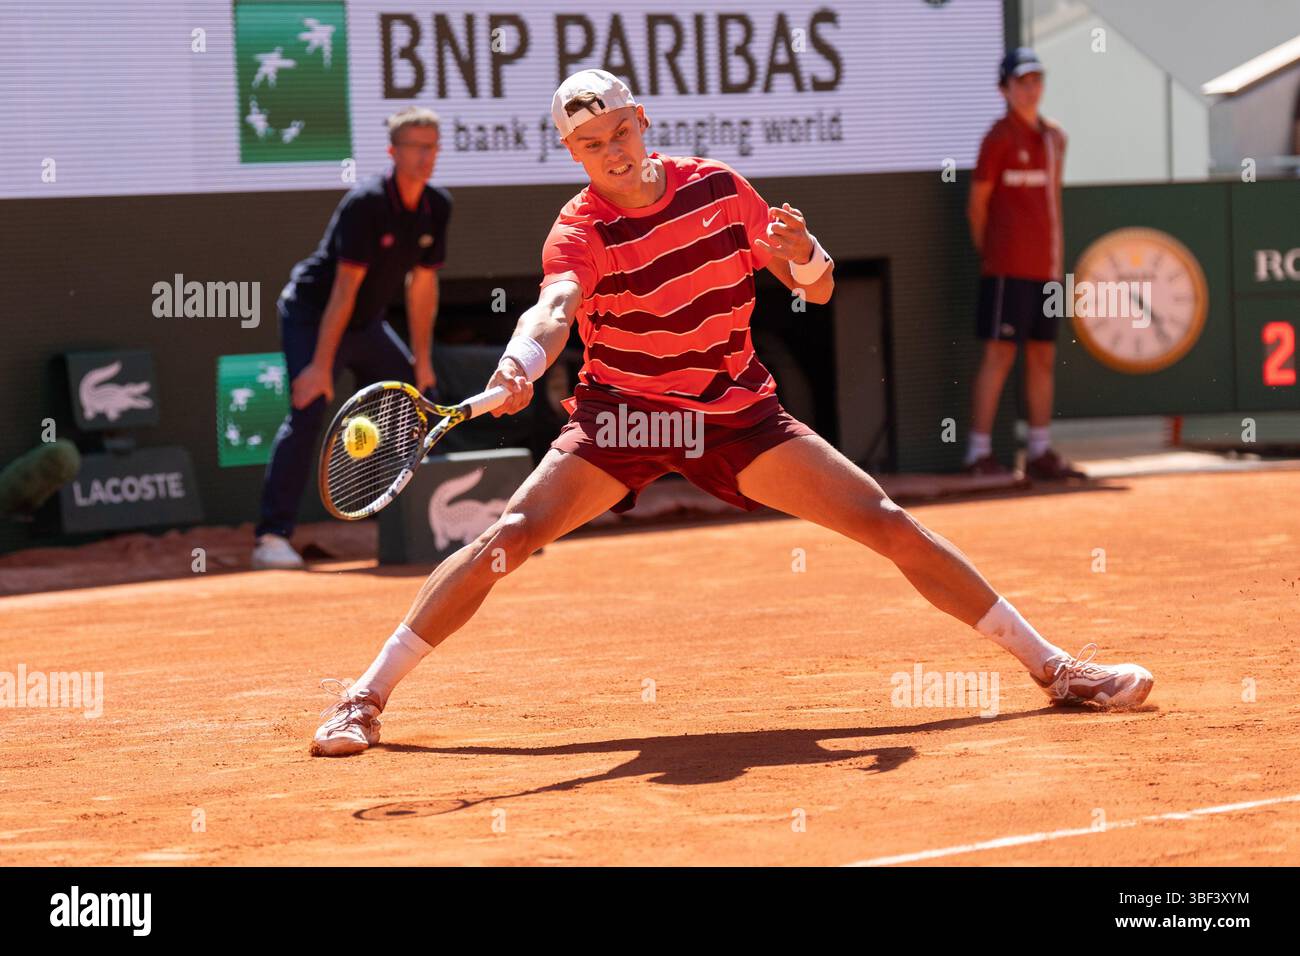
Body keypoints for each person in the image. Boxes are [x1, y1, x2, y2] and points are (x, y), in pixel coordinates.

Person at [311, 70, 1153, 756]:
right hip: (627, 417)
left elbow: (813, 285)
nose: (610, 154)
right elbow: (556, 306)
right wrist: (519, 367)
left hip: (734, 411)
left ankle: (1055, 670)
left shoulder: (717, 188)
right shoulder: (577, 230)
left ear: (642, 121)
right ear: (571, 153)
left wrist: (805, 254)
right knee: (508, 540)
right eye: (590, 145)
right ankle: (364, 698)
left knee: (886, 521)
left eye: (619, 134)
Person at [252, 107, 451, 570]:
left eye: (433, 147)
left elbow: (422, 286)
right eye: (416, 147)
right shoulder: (366, 204)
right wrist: (320, 367)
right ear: (393, 152)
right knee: (308, 407)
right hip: (314, 316)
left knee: (418, 400)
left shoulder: (437, 206)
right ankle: (270, 538)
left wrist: (422, 362)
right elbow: (343, 292)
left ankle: (413, 527)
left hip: (368, 323)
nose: (426, 157)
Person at [965, 48, 1085, 480]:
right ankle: (977, 453)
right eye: (1022, 81)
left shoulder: (1056, 138)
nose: (1031, 88)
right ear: (1005, 90)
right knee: (999, 354)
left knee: (1042, 357)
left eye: (1037, 80)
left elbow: (1051, 205)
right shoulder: (996, 138)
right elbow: (977, 207)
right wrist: (995, 256)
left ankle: (1039, 450)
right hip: (1005, 270)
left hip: (1047, 270)